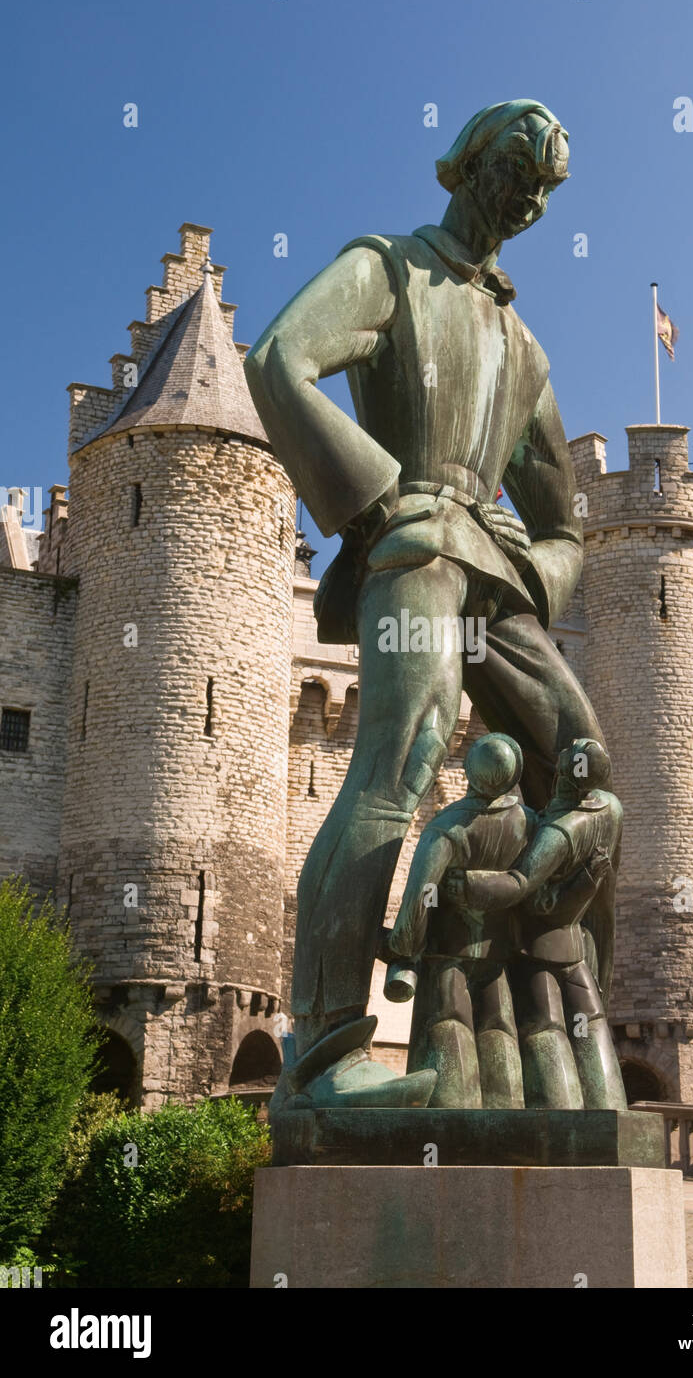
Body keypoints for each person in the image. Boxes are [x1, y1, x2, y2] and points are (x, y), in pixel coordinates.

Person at [245, 100, 612, 1100]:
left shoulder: (526, 351)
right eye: (513, 169)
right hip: (412, 549)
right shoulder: (387, 266)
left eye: (544, 185)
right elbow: (277, 362)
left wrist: (534, 570)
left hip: (496, 582)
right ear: (459, 167)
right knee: (398, 761)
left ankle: (521, 1039)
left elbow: (565, 529)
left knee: (583, 773)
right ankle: (322, 1054)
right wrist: (377, 503)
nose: (526, 196)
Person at [443, 740, 627, 1110]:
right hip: (575, 942)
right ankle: (609, 1114)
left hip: (537, 946)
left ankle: (561, 1120)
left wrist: (469, 885)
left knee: (546, 1029)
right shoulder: (611, 809)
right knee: (590, 1024)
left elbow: (519, 883)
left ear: (567, 778)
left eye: (561, 771)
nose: (555, 776)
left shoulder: (559, 832)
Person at [384, 733, 533, 1108]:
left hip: (448, 955)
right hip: (499, 956)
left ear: (468, 771)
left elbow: (420, 897)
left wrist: (401, 945)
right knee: (499, 1031)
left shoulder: (447, 828)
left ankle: (452, 1126)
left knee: (448, 1027)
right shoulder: (530, 825)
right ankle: (507, 1125)